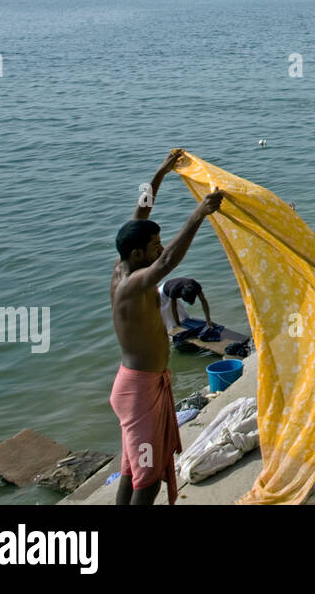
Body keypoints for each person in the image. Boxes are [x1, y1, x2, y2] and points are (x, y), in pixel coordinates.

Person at [109, 149, 224, 506]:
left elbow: (142, 210)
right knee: (148, 481)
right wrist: (199, 213)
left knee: (132, 472)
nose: (159, 249)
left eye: (159, 243)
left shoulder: (124, 262)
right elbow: (171, 259)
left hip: (138, 387)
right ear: (138, 254)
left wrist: (160, 171)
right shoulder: (132, 284)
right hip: (140, 394)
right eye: (154, 246)